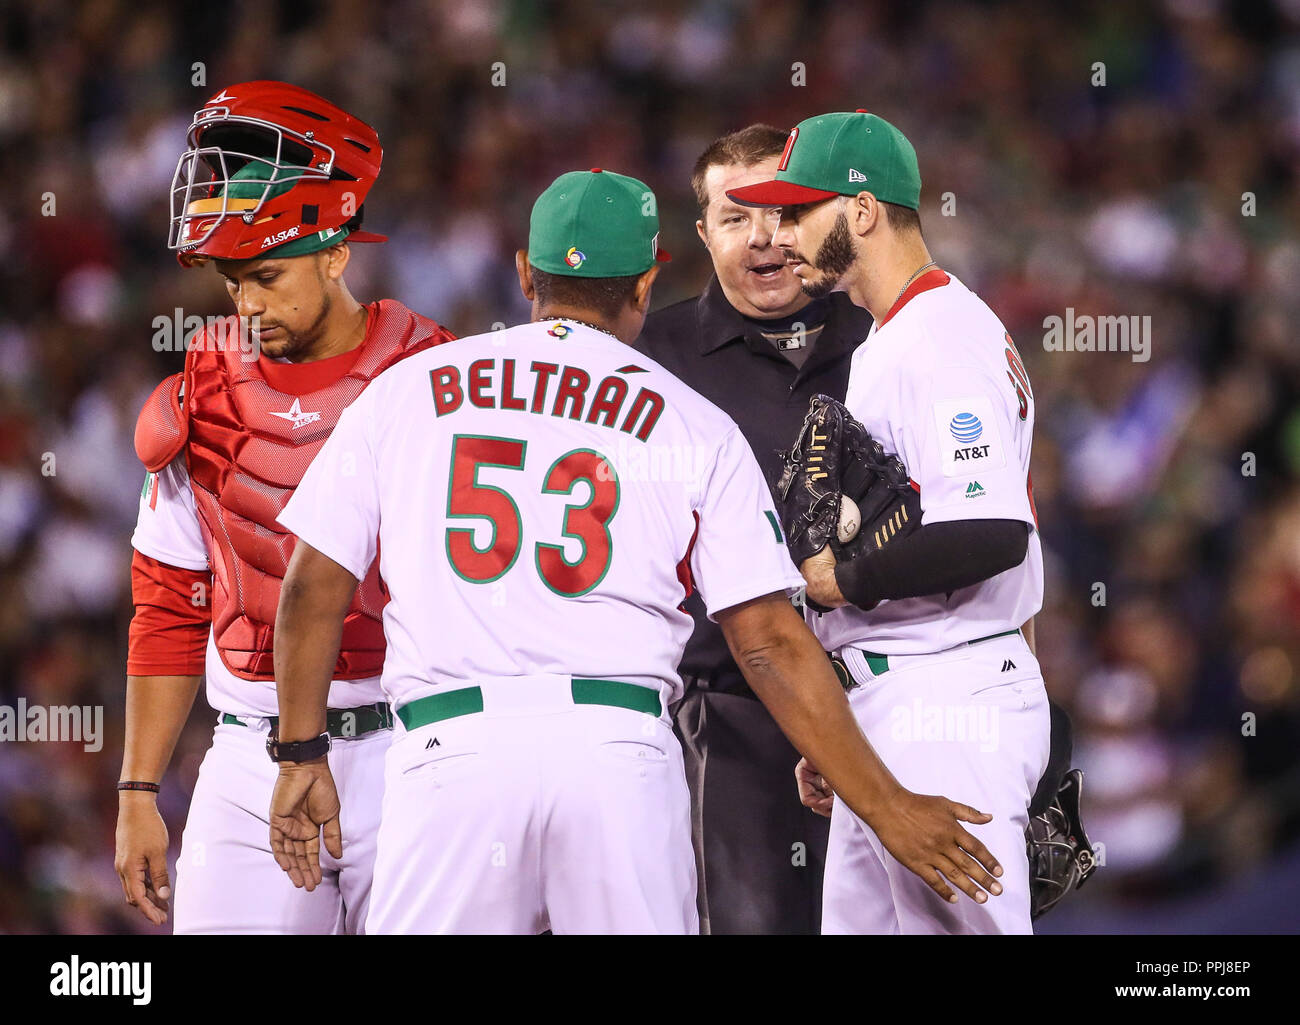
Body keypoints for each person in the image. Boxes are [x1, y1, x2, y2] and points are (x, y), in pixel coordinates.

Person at [266, 168, 1007, 935]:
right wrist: (886, 805)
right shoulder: (691, 419)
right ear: (648, 283)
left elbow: (312, 585)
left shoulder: (404, 390)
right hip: (616, 755)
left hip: (451, 752)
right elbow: (769, 643)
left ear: (525, 271)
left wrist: (298, 752)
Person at [115, 81, 456, 933]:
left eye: (268, 276)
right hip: (248, 750)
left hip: (418, 744)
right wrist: (137, 789)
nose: (249, 305)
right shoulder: (201, 388)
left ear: (337, 254)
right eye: (235, 284)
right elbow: (167, 601)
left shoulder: (438, 373)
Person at [728, 110, 1049, 934]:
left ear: (862, 211)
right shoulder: (899, 335)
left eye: (800, 210)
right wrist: (843, 722)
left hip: (948, 696)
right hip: (908, 696)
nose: (779, 232)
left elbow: (992, 532)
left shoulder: (936, 336)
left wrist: (847, 577)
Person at [636, 125, 870, 934]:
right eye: (736, 218)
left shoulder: (887, 336)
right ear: (702, 234)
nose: (764, 238)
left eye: (783, 210)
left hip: (887, 696)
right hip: (728, 717)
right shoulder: (647, 356)